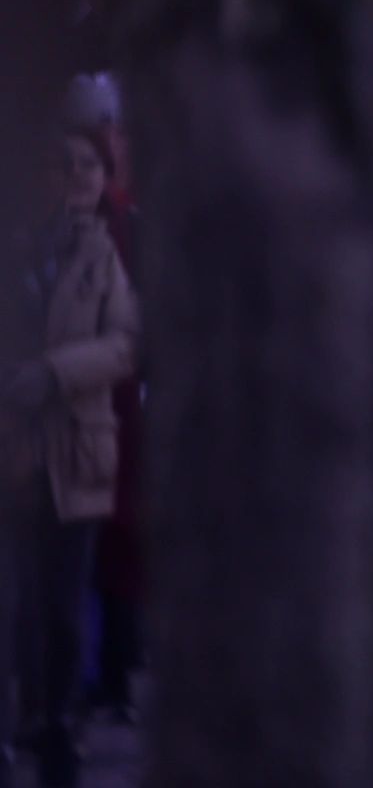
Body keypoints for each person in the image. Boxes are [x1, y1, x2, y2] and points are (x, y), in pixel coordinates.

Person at [3, 127, 142, 787]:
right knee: (13, 602)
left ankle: (57, 722)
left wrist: (56, 373)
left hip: (79, 454)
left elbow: (124, 343)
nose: (79, 175)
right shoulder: (19, 245)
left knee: (61, 607)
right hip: (13, 448)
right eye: (66, 165)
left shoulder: (104, 255)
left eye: (90, 164)